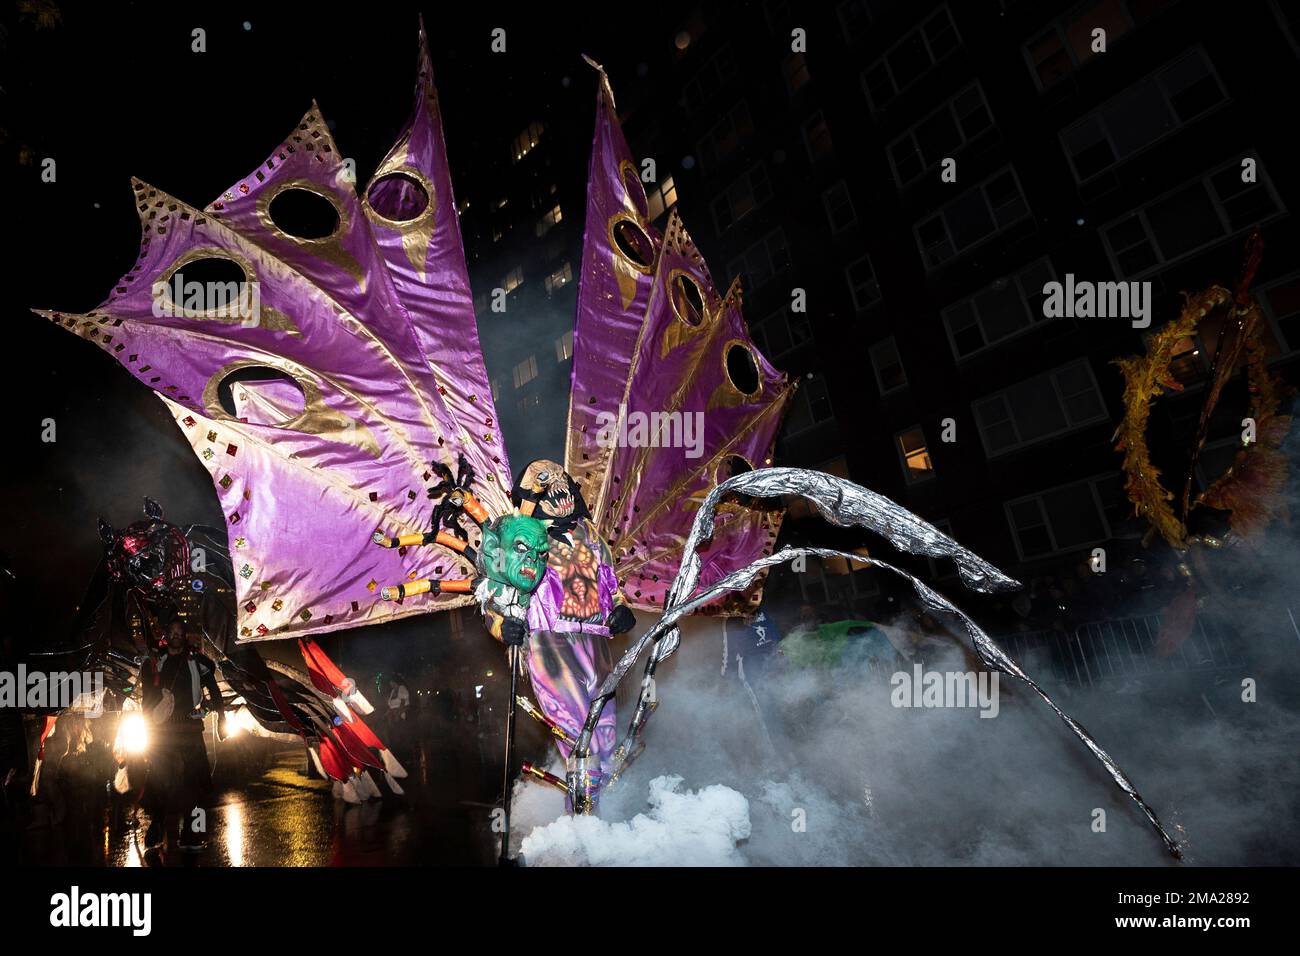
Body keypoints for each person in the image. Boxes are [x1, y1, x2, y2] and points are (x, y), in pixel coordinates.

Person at [139, 618, 222, 853]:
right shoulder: (156, 663)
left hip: (190, 729)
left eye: (180, 632)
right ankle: (156, 827)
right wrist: (149, 719)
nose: (176, 635)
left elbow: (213, 688)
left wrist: (222, 716)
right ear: (166, 635)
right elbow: (147, 697)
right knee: (159, 780)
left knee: (195, 783)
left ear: (184, 635)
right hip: (163, 731)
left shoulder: (196, 662)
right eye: (172, 631)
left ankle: (193, 833)